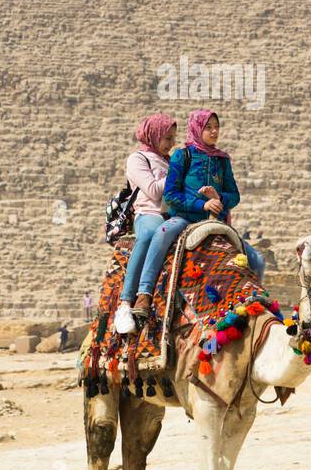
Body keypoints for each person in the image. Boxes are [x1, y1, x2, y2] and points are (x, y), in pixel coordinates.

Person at [131, 109, 264, 322]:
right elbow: (171, 195)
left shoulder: (222, 161)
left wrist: (218, 197)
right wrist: (203, 204)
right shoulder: (182, 156)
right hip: (185, 218)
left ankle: (254, 303)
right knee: (163, 233)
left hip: (214, 220)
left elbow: (235, 195)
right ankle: (144, 294)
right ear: (197, 129)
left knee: (257, 259)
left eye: (216, 127)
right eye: (208, 127)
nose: (214, 132)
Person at [113, 113, 178, 334]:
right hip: (148, 213)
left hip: (174, 215)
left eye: (173, 138)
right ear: (154, 136)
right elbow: (152, 190)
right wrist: (177, 173)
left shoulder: (170, 161)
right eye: (167, 138)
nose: (172, 144)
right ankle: (126, 302)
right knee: (150, 233)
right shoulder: (138, 159)